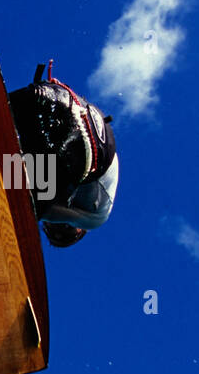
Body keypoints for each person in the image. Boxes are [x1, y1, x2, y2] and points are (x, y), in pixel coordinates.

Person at [8, 62, 118, 247]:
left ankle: (33, 99)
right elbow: (37, 209)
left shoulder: (81, 194)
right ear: (79, 230)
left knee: (10, 113)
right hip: (89, 143)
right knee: (34, 202)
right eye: (62, 230)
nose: (57, 226)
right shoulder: (94, 219)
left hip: (72, 107)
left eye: (51, 230)